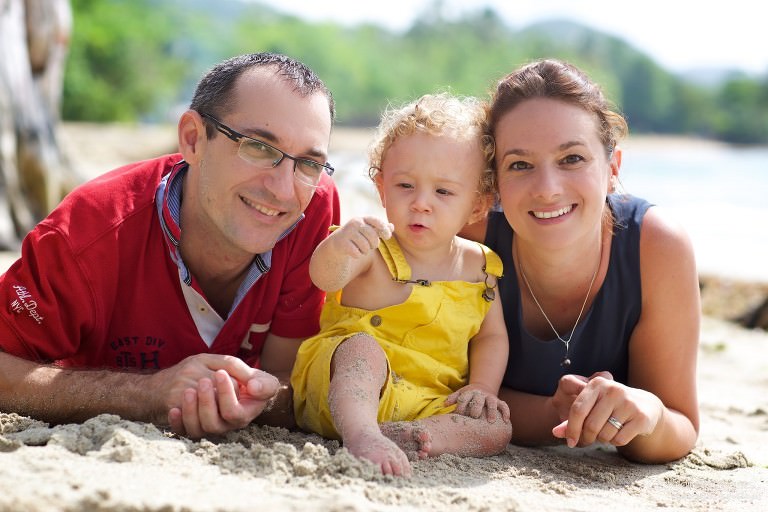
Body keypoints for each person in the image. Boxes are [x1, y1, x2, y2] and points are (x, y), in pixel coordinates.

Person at [0, 52, 340, 438]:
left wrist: (260, 398)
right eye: (259, 148)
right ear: (193, 140)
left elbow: (286, 375)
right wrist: (148, 393)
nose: (283, 189)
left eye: (309, 164)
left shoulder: (312, 208)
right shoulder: (88, 232)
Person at [461, 59, 700, 464]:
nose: (548, 189)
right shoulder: (470, 240)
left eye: (572, 158)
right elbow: (434, 392)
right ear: (495, 180)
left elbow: (681, 426)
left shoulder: (657, 246)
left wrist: (647, 415)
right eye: (520, 164)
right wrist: (558, 414)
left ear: (612, 169)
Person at [290, 93, 513, 477]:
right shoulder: (372, 245)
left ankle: (422, 436)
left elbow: (491, 337)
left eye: (443, 192)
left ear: (477, 205)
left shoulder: (481, 267)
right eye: (405, 185)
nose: (421, 203)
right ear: (381, 188)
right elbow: (323, 278)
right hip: (344, 390)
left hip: (425, 400)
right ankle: (362, 434)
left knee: (497, 427)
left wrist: (482, 387)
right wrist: (341, 248)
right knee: (361, 350)